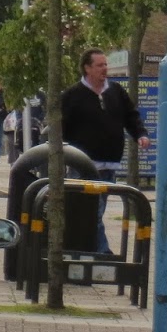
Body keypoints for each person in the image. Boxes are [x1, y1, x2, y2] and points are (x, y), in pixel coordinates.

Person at [59, 48, 149, 253]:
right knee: (93, 212)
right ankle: (102, 251)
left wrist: (141, 135)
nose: (105, 69)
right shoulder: (72, 96)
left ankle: (85, 249)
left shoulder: (116, 92)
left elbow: (131, 116)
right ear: (87, 68)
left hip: (109, 164)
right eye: (100, 65)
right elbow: (59, 127)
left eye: (105, 64)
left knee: (96, 212)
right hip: (83, 166)